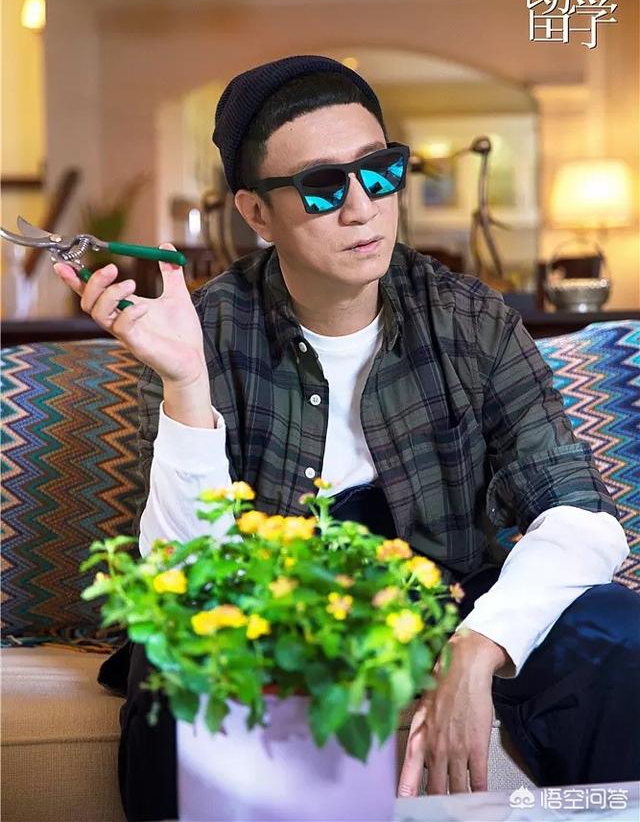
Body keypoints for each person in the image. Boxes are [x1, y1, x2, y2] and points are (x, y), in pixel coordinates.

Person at [53, 55, 638, 821]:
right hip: (269, 613)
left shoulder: (469, 318)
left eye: (379, 171)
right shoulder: (206, 329)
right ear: (257, 213)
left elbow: (581, 514)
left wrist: (479, 644)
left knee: (618, 634)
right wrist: (186, 383)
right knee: (176, 658)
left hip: (449, 597)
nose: (362, 207)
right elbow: (184, 574)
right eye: (324, 186)